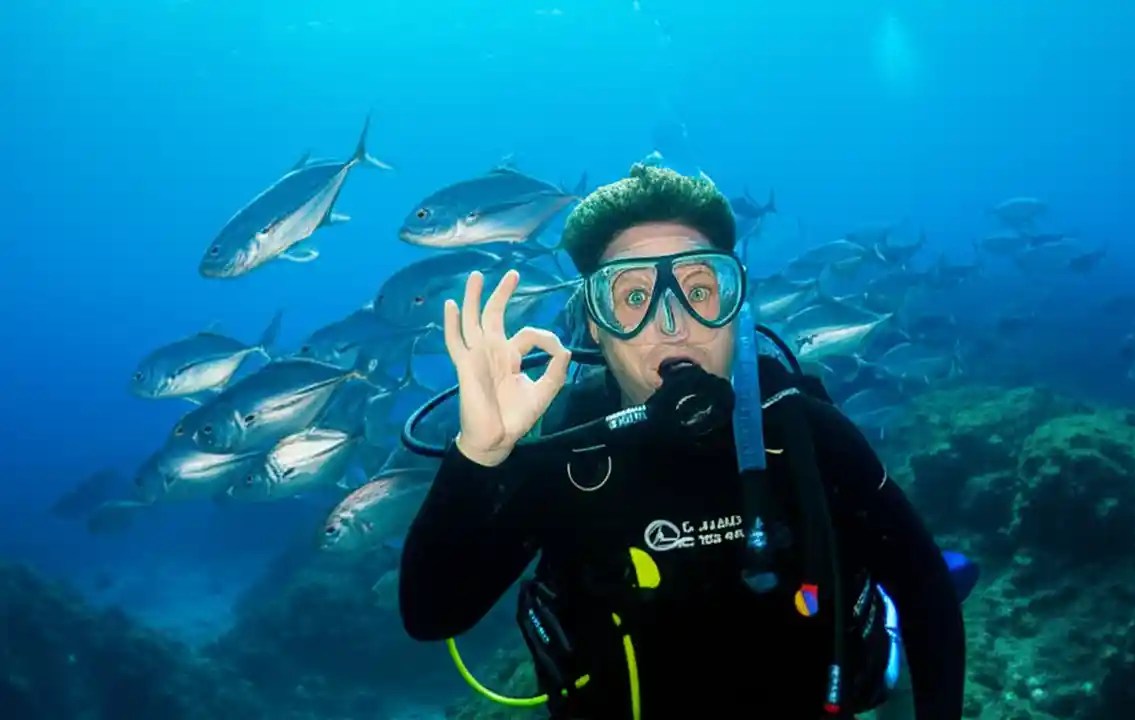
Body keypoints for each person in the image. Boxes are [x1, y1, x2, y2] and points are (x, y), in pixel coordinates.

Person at [398, 165, 966, 719]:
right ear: (594, 324)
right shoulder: (574, 460)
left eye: (699, 288)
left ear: (733, 305)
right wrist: (478, 456)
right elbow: (431, 614)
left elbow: (926, 590)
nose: (674, 324)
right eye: (634, 297)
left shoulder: (801, 429)